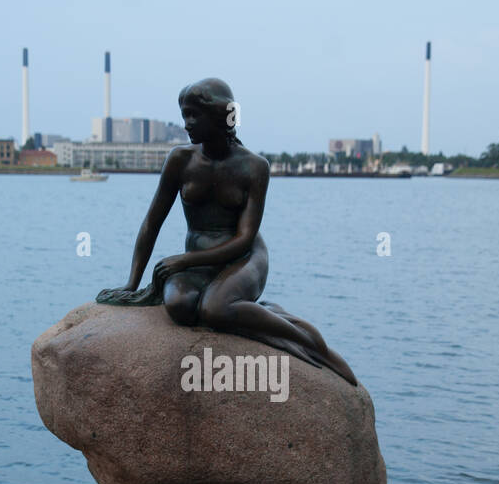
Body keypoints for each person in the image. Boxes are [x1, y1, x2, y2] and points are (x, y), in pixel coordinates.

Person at [96, 78, 358, 385]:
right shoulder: (180, 160)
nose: (187, 124)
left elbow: (244, 238)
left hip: (244, 258)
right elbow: (151, 223)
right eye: (184, 115)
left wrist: (183, 262)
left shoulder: (254, 166)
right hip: (198, 262)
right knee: (179, 306)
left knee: (215, 309)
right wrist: (132, 282)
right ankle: (256, 312)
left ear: (221, 116)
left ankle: (308, 341)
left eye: (194, 115)